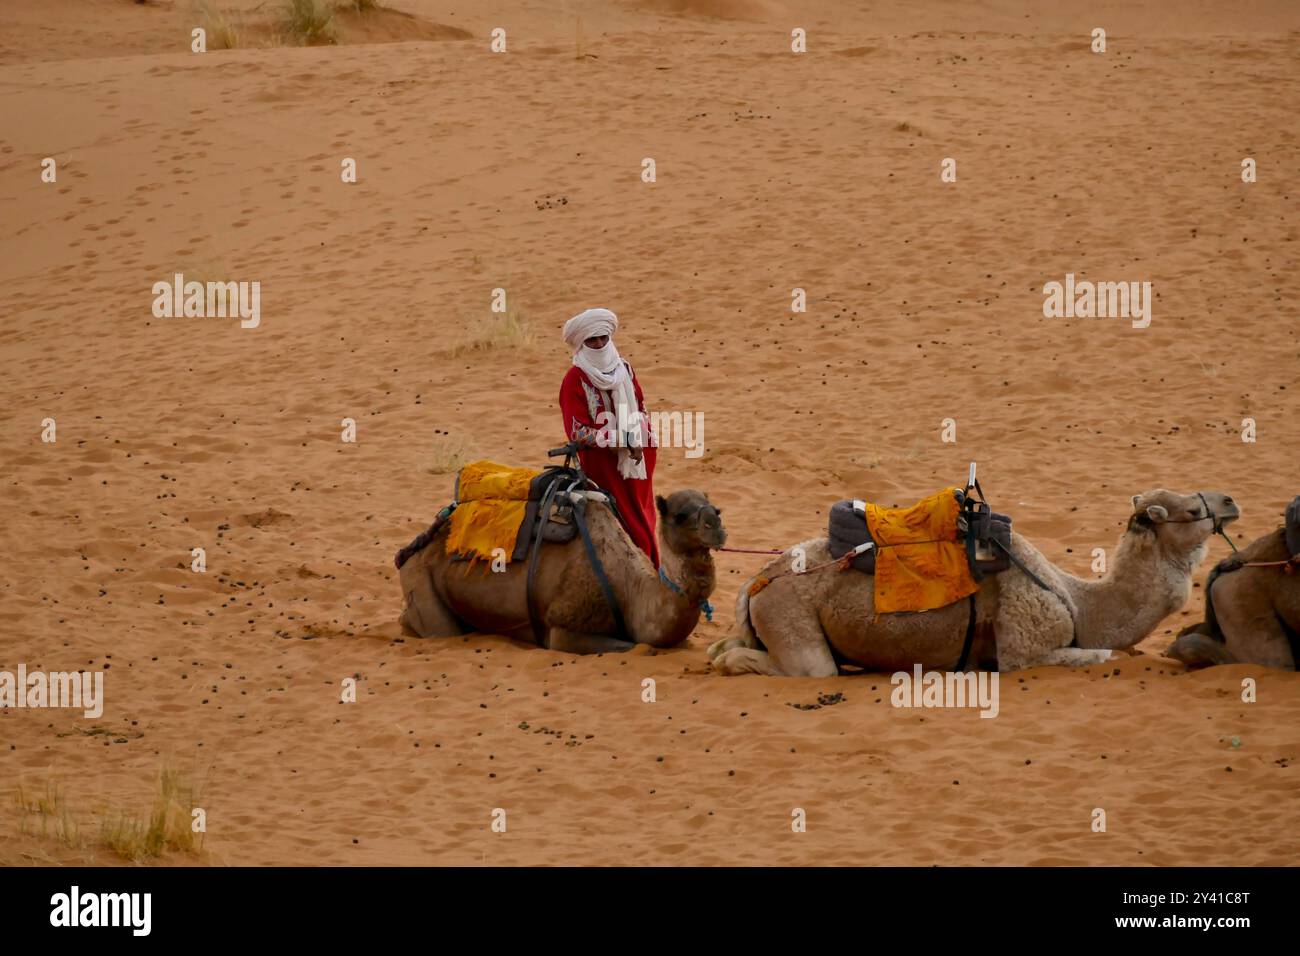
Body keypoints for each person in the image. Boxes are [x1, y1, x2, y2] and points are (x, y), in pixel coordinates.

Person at [558, 308, 660, 567]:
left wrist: (641, 436)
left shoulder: (624, 369)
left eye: (604, 337)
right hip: (602, 469)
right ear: (581, 343)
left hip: (637, 466)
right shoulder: (575, 379)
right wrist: (620, 440)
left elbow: (640, 406)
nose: (600, 344)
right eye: (592, 340)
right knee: (625, 533)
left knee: (645, 526)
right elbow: (577, 431)